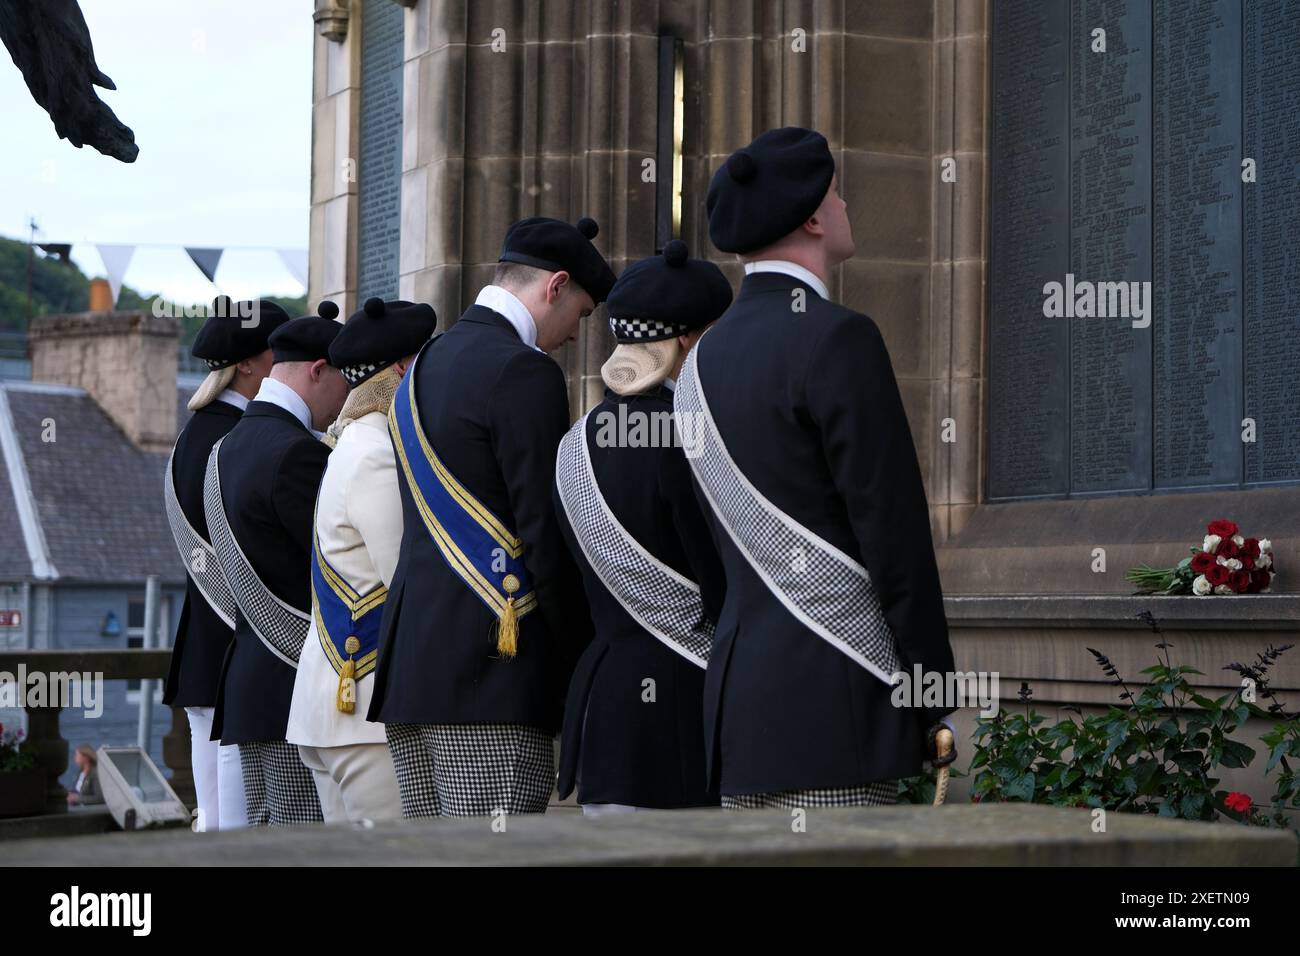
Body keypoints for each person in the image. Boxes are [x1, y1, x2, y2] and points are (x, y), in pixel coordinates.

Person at [674, 126, 957, 808]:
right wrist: (933, 691)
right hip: (838, 702)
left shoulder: (697, 366)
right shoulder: (840, 337)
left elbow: (708, 556)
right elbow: (892, 535)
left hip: (739, 710)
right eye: (837, 193)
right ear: (810, 217)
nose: (846, 204)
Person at [372, 216, 613, 817]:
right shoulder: (524, 371)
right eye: (581, 314)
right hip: (491, 678)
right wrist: (583, 659)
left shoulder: (421, 367)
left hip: (410, 674)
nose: (577, 337)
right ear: (555, 286)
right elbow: (544, 535)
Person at [553, 240, 730, 814]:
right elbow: (718, 581)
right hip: (680, 706)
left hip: (603, 707)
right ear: (686, 339)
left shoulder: (571, 444)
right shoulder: (687, 438)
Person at [285, 297, 437, 823]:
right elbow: (406, 579)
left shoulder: (349, 444)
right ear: (402, 368)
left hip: (334, 706)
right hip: (359, 710)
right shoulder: (375, 453)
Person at [205, 305, 347, 826]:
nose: (346, 400)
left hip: (251, 683)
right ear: (317, 370)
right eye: (345, 381)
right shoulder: (297, 454)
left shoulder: (225, 447)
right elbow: (334, 567)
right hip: (293, 682)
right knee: (299, 848)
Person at [162, 297, 289, 831]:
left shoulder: (195, 431)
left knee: (211, 810)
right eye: (277, 353)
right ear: (250, 365)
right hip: (237, 625)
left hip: (206, 627)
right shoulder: (237, 436)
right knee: (233, 818)